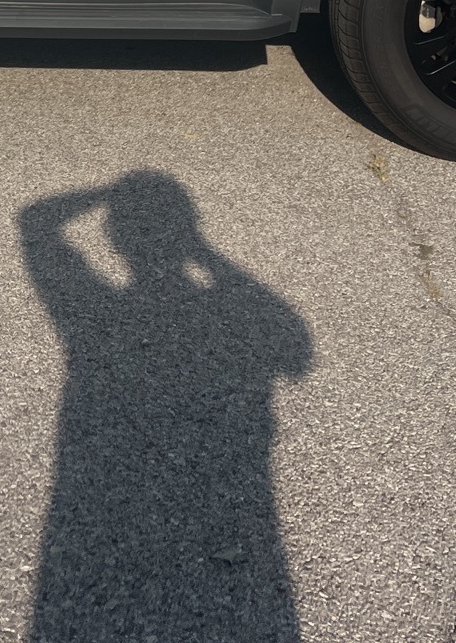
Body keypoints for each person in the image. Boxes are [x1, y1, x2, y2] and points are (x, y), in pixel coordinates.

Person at [18, 171, 314, 642]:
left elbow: (37, 225)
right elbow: (296, 350)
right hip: (238, 496)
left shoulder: (94, 316)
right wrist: (202, 251)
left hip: (97, 495)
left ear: (115, 240)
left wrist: (102, 191)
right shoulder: (222, 308)